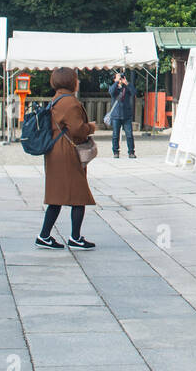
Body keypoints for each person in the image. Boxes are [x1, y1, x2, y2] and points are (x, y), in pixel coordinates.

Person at [35, 67, 97, 250]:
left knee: (56, 195)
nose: (78, 82)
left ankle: (44, 235)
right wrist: (91, 127)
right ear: (71, 81)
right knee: (79, 195)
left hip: (55, 151)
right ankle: (75, 237)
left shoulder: (56, 99)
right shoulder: (70, 102)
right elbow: (77, 130)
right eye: (76, 79)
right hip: (67, 152)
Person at [108, 71, 136, 159]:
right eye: (118, 78)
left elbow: (134, 92)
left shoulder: (126, 87)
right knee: (115, 134)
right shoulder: (114, 87)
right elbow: (111, 92)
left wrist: (126, 83)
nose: (120, 79)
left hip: (126, 114)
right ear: (114, 79)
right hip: (116, 115)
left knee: (129, 134)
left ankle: (131, 152)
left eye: (121, 78)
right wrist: (116, 82)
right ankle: (116, 152)